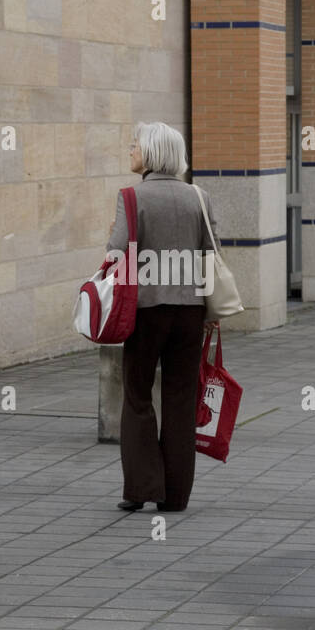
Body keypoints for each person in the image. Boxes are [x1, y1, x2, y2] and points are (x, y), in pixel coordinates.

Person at [105, 121, 220, 513]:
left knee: (137, 395)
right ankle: (175, 495)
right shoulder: (199, 197)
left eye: (135, 145)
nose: (130, 150)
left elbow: (116, 253)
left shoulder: (131, 197)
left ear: (152, 153)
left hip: (146, 311)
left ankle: (141, 488)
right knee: (180, 398)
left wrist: (112, 238)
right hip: (190, 311)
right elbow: (211, 253)